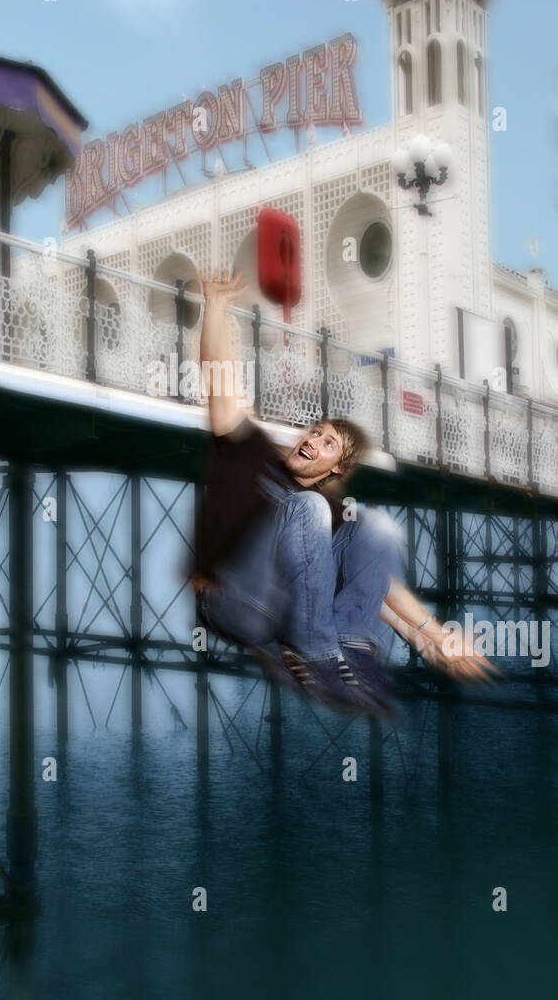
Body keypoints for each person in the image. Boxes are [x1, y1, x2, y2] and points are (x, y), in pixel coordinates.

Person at [193, 270, 496, 717]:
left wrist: (433, 636)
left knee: (371, 527)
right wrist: (216, 306)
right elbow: (219, 382)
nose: (313, 440)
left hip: (280, 616)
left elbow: (378, 586)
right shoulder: (252, 452)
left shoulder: (333, 512)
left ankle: (350, 650)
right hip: (229, 602)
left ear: (335, 467)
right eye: (314, 432)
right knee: (309, 509)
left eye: (327, 442)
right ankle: (318, 654)